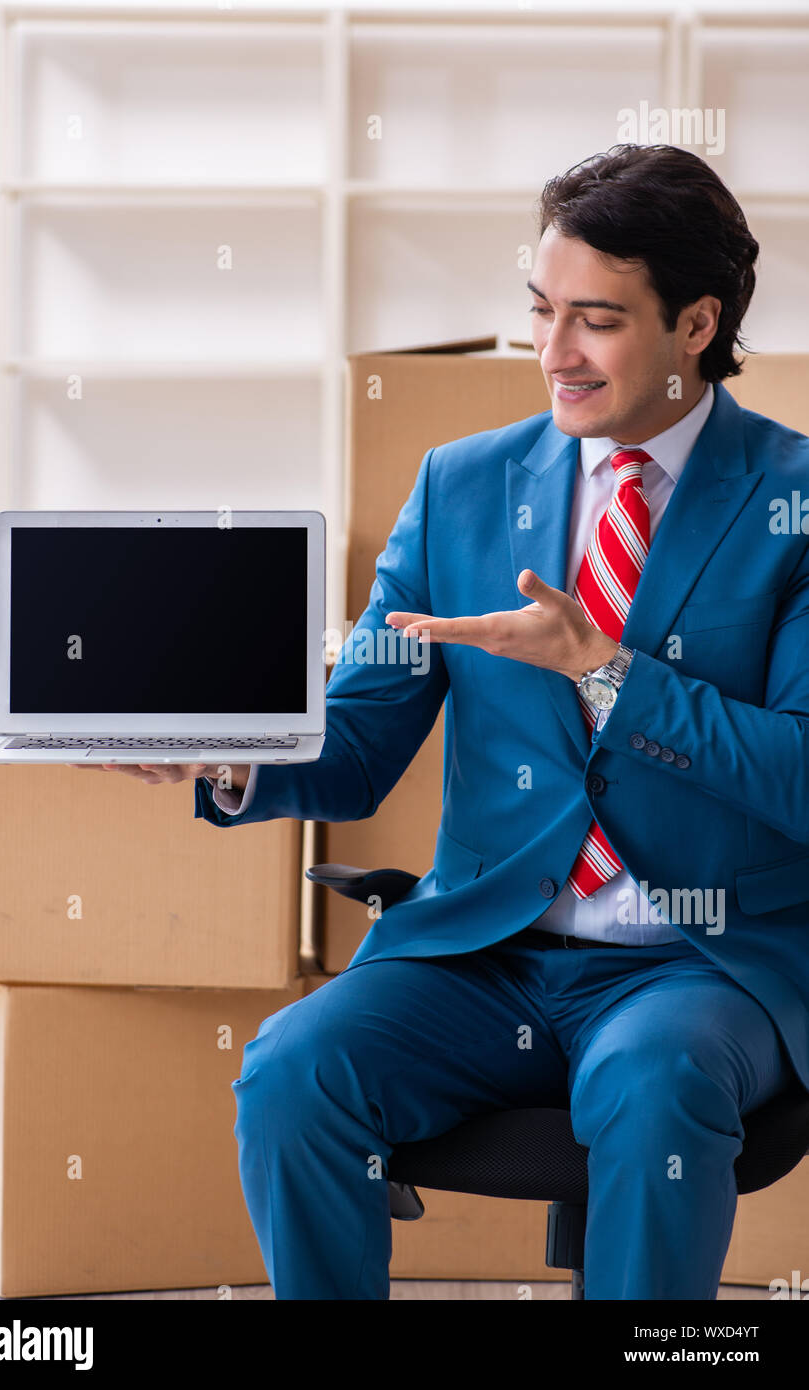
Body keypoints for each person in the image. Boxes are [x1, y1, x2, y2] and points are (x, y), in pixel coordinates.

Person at [90, 144, 809, 1300]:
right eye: (539, 310)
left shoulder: (795, 504)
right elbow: (364, 738)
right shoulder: (460, 486)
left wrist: (607, 672)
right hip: (489, 954)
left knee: (656, 1078)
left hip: (701, 958)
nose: (554, 353)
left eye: (597, 320)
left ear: (695, 324)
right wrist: (233, 754)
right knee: (293, 1067)